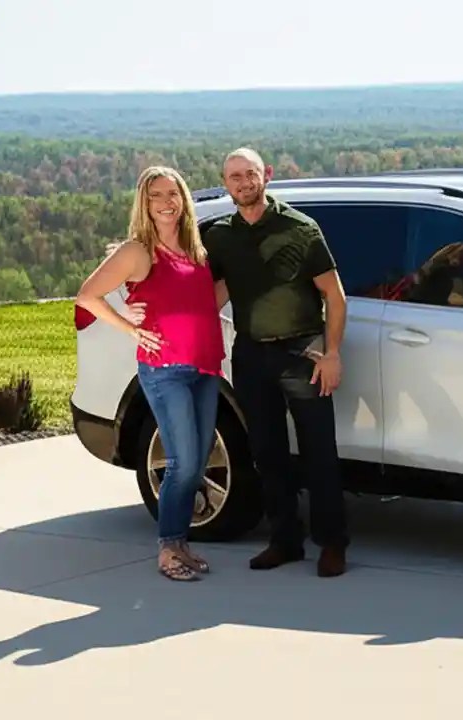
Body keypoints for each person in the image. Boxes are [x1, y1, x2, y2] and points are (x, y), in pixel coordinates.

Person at [202, 147, 350, 578]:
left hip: (304, 353)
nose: (244, 183)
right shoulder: (220, 236)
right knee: (267, 454)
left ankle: (333, 544)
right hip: (250, 355)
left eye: (250, 174)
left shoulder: (301, 229)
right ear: (225, 183)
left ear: (265, 175)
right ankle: (284, 541)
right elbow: (214, 294)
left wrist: (333, 353)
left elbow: (334, 297)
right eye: (234, 177)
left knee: (320, 453)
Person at [76, 166, 226, 582]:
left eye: (172, 194)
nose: (166, 202)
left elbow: (205, 301)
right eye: (156, 195)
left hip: (205, 366)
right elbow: (88, 295)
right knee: (181, 463)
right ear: (144, 202)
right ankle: (167, 550)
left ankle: (181, 545)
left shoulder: (195, 249)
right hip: (166, 371)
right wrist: (129, 325)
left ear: (183, 200)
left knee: (197, 464)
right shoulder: (138, 251)